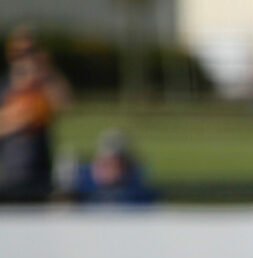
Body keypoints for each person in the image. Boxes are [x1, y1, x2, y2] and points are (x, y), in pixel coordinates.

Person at [0, 25, 71, 203]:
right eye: (20, 53)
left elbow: (65, 103)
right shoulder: (4, 88)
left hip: (41, 174)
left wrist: (45, 72)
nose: (25, 58)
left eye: (30, 51)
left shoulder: (44, 88)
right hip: (9, 172)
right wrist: (23, 115)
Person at [70, 129, 157, 205]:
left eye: (116, 165)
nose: (109, 170)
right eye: (104, 164)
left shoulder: (140, 196)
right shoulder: (79, 192)